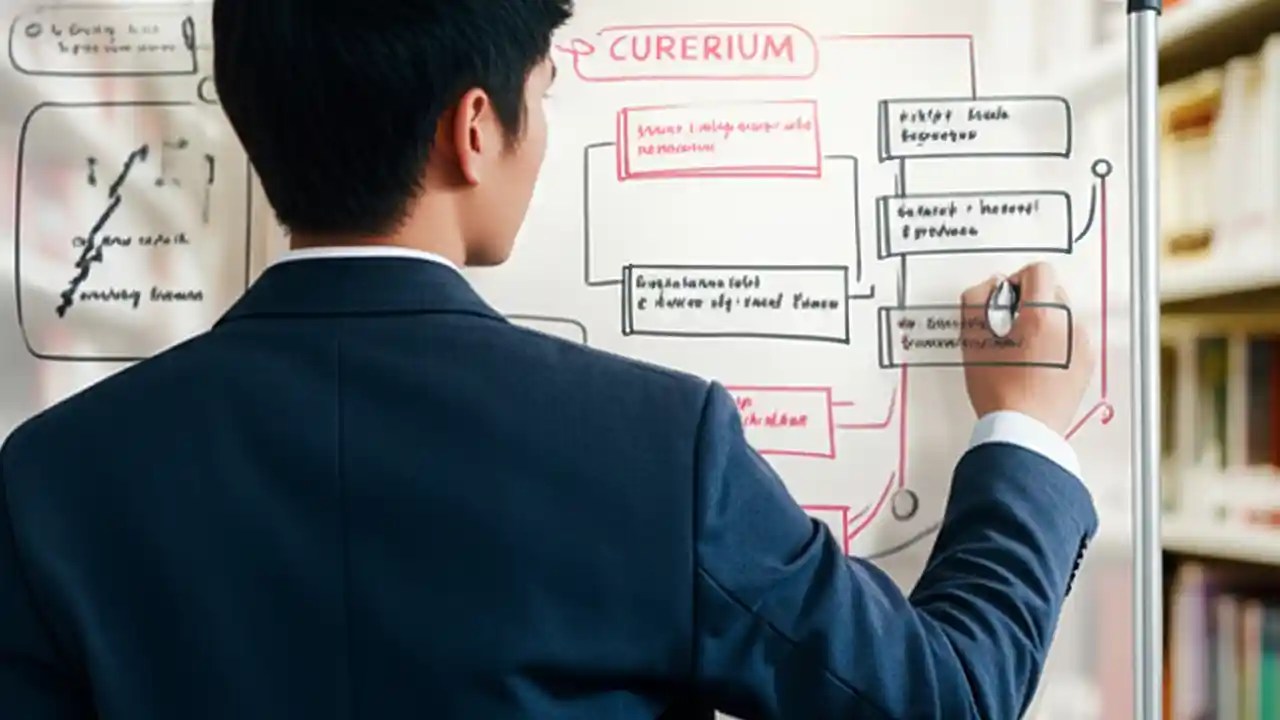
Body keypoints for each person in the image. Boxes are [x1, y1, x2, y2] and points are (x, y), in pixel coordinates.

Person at [0, 1, 1098, 718]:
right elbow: (944, 696)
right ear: (473, 128)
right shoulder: (660, 452)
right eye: (543, 93)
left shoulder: (50, 476)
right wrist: (1022, 430)